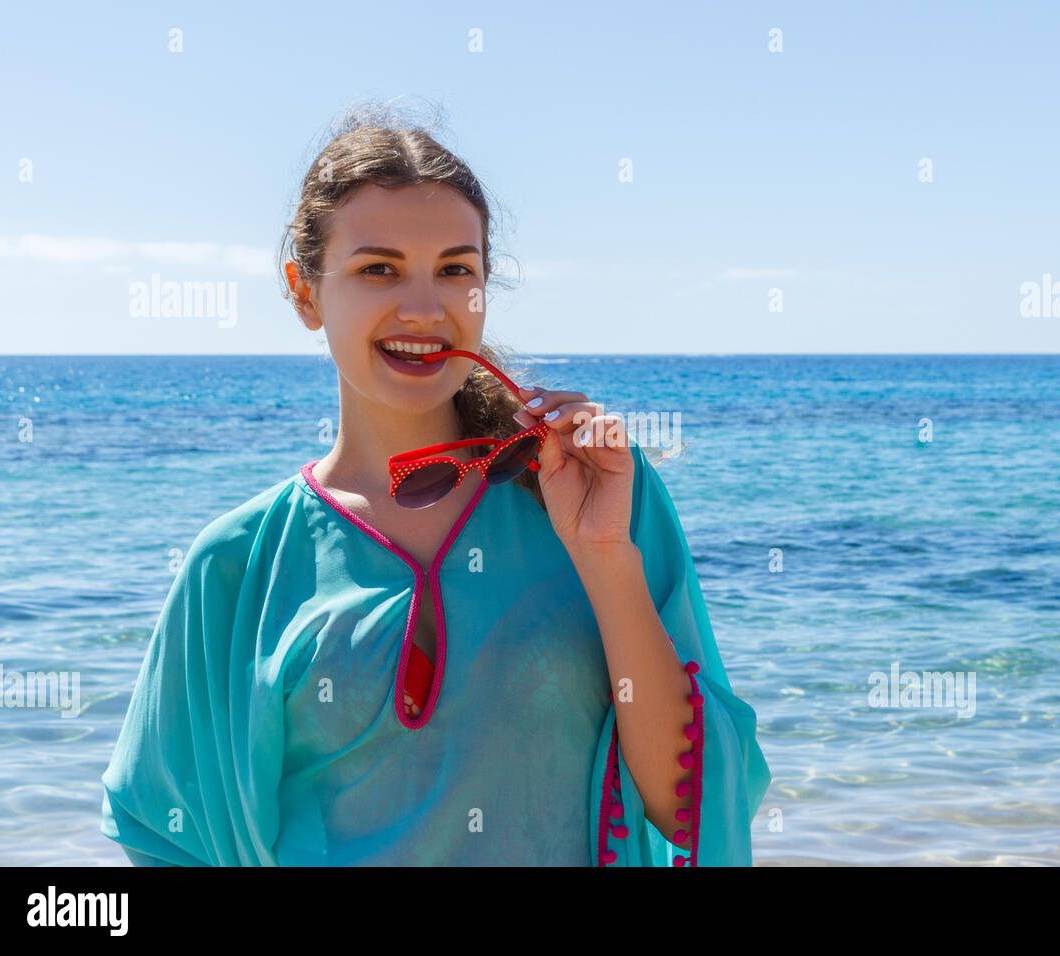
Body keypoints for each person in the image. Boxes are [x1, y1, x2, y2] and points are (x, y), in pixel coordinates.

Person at [99, 102, 771, 866]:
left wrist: (604, 555)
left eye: (456, 269)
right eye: (378, 268)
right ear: (304, 292)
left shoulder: (597, 491)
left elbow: (689, 810)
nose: (425, 308)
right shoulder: (237, 565)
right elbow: (167, 837)